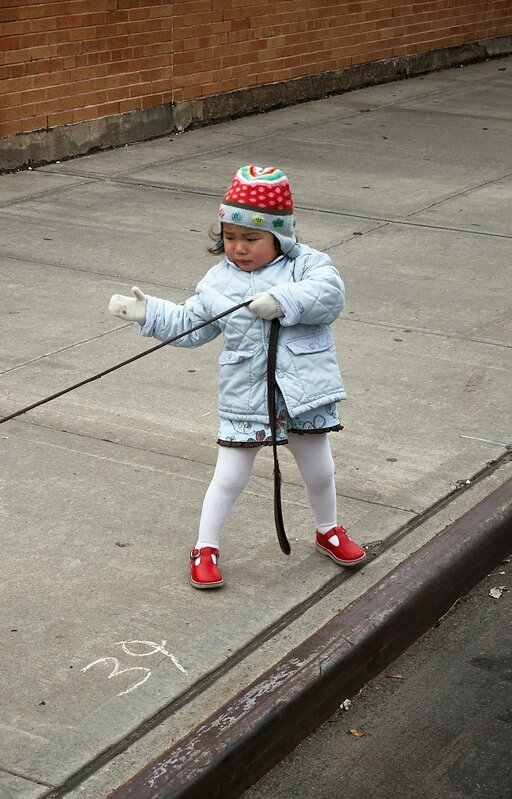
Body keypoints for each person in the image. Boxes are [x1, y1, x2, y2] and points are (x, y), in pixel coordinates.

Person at [108, 165, 366, 589]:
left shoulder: (307, 265)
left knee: (319, 470)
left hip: (303, 393)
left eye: (251, 239)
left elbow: (330, 295)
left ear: (280, 237)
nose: (239, 248)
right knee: (230, 476)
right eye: (230, 237)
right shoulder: (218, 282)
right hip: (246, 396)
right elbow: (192, 324)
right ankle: (204, 547)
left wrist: (282, 299)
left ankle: (328, 529)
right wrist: (149, 313)